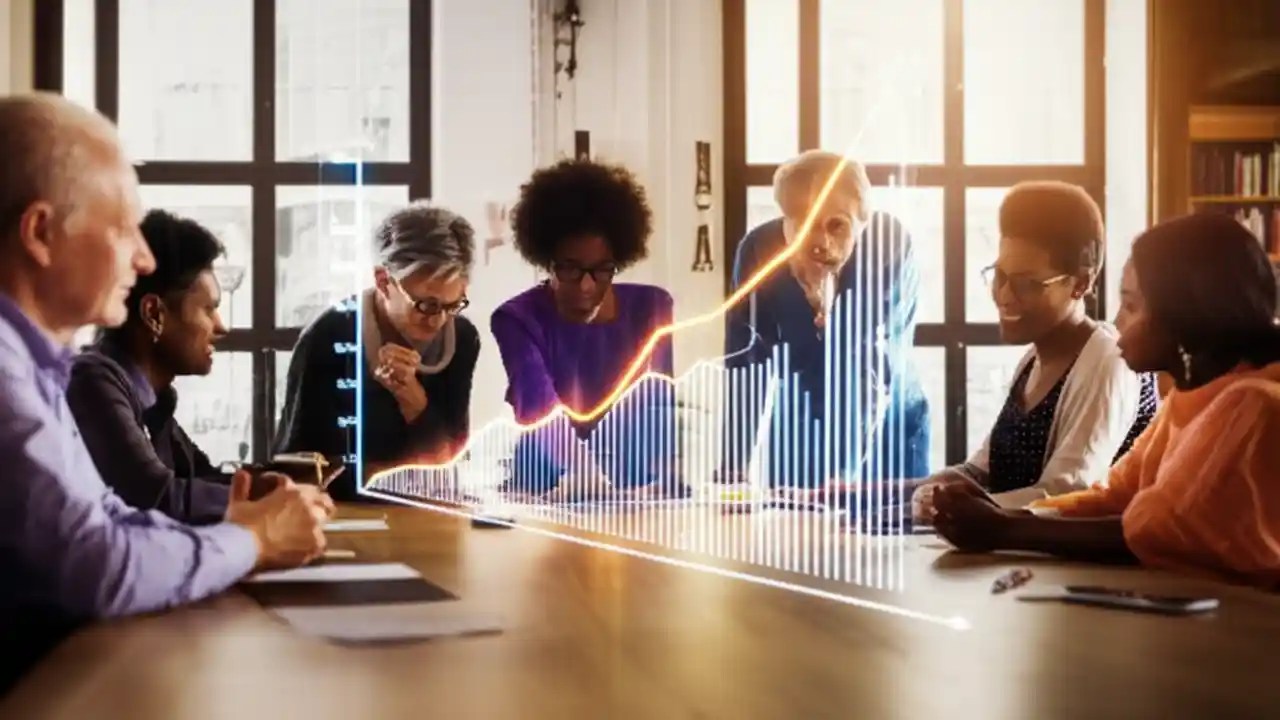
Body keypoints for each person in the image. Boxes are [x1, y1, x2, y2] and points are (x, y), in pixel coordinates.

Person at [0, 93, 329, 692]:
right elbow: (101, 563)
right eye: (123, 228)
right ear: (41, 233)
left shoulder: (37, 366)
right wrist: (253, 538)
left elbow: (113, 517)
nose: (143, 256)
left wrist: (247, 530)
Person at [930, 212, 1280, 590]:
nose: (1116, 320)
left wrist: (1005, 528)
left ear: (1183, 316)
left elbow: (1156, 532)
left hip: (1246, 633)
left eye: (1131, 306)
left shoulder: (1253, 406)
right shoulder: (1188, 399)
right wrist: (996, 512)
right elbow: (1114, 497)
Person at [913, 182, 1158, 514]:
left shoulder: (1108, 359)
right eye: (999, 276)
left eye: (1026, 284)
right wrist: (879, 495)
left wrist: (948, 509)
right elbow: (978, 474)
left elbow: (1066, 492)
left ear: (1081, 283)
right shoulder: (1033, 359)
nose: (1004, 294)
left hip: (1081, 565)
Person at [721, 150, 929, 489]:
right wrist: (732, 467)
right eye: (802, 223)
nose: (819, 241)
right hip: (799, 424)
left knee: (885, 533)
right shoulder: (759, 250)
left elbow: (872, 356)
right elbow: (744, 360)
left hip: (886, 424)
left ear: (862, 222)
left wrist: (845, 474)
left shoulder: (888, 244)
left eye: (837, 225)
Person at [491, 158, 677, 499]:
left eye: (603, 269)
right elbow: (537, 402)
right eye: (570, 269)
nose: (587, 285)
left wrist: (663, 478)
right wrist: (583, 474)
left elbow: (658, 403)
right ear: (546, 263)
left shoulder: (652, 307)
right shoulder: (516, 318)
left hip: (636, 489)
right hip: (545, 486)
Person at [275, 202, 481, 500]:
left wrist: (413, 399)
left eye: (453, 305)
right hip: (342, 515)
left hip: (425, 513)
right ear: (383, 281)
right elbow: (298, 466)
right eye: (426, 305)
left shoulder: (461, 337)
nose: (438, 320)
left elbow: (451, 460)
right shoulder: (329, 335)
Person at [65, 209, 235, 524]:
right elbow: (155, 497)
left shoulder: (152, 399)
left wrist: (277, 484)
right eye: (209, 309)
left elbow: (203, 478)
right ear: (154, 313)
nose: (221, 327)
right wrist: (266, 500)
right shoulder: (93, 382)